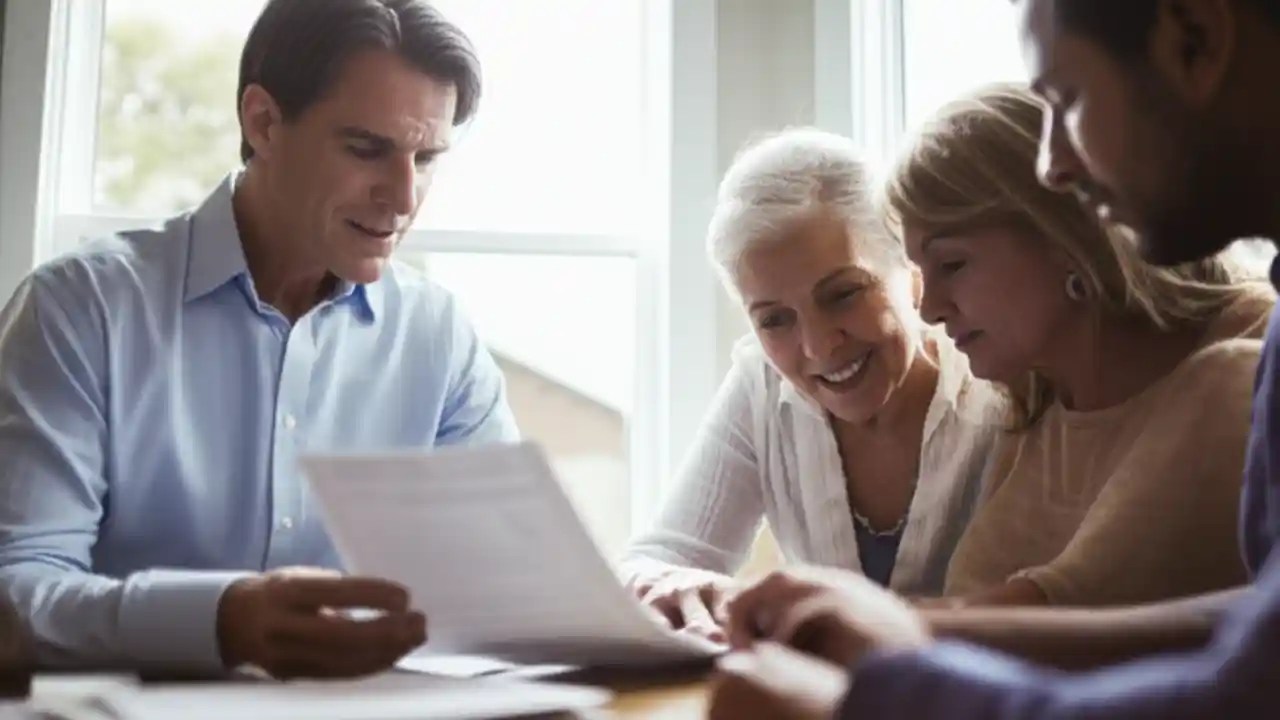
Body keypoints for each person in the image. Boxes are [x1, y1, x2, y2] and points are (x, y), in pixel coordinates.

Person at [708, 0, 1280, 717]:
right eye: (773, 318)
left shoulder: (1231, 374)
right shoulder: (1031, 403)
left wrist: (874, 683)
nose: (1058, 165)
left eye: (1068, 99)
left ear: (1197, 39)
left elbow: (1243, 682)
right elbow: (1251, 630)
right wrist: (901, 634)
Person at [0, 0, 517, 679]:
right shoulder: (80, 309)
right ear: (263, 122)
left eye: (425, 159)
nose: (402, 197)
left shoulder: (439, 337)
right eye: (367, 149)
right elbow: (15, 592)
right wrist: (220, 620)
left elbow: (510, 584)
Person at [892, 83, 1270, 609]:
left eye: (952, 265)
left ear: (1064, 235)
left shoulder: (1253, 351)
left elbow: (1066, 606)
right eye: (920, 273)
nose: (929, 309)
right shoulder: (1034, 398)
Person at [621, 129, 1004, 639]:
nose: (819, 347)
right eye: (774, 320)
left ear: (911, 272)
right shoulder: (761, 386)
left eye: (843, 294)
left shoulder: (997, 384)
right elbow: (657, 558)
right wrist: (678, 584)